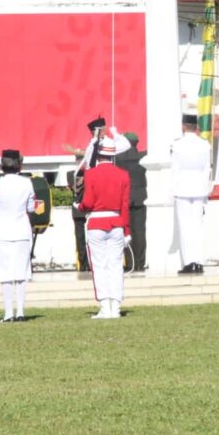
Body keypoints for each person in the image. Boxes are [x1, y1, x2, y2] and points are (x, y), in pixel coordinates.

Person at [76, 136, 130, 319]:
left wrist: (80, 207)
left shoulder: (91, 174)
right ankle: (116, 307)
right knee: (116, 265)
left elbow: (88, 202)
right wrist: (127, 230)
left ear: (98, 155)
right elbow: (124, 205)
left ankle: (105, 307)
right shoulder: (123, 175)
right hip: (116, 222)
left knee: (99, 266)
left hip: (97, 223)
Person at [0, 150, 35, 323]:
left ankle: (8, 313)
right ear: (19, 165)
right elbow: (31, 208)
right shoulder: (27, 183)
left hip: (3, 231)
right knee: (21, 273)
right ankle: (20, 312)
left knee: (5, 274)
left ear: (2, 166)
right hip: (22, 230)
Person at [171, 113, 212, 274]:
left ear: (183, 126)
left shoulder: (177, 145)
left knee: (185, 227)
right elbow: (206, 169)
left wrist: (173, 190)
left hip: (182, 188)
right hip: (199, 187)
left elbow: (175, 169)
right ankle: (199, 262)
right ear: (196, 127)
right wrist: (206, 189)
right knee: (198, 226)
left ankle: (188, 262)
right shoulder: (204, 144)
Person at [116, 132, 148, 272]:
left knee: (126, 231)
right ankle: (140, 262)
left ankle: (129, 263)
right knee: (140, 231)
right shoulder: (143, 157)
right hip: (141, 197)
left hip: (125, 197)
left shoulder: (118, 158)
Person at [66, 162, 89, 271]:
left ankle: (88, 263)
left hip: (88, 210)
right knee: (80, 239)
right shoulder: (72, 174)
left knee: (88, 239)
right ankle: (83, 263)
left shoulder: (89, 174)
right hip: (79, 210)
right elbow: (77, 188)